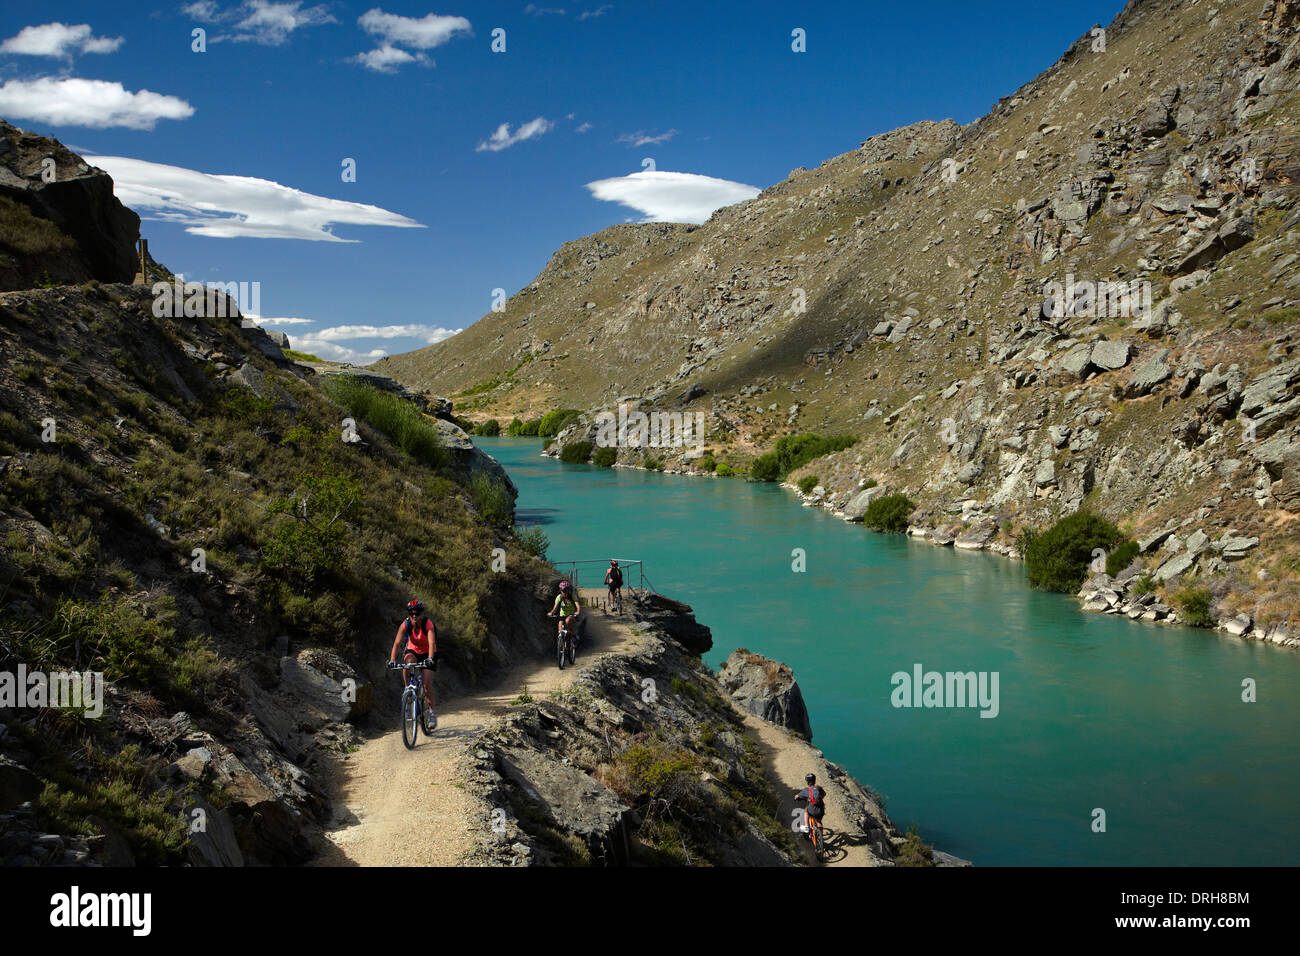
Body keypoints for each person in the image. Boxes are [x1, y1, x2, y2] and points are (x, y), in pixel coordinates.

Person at [388, 598, 438, 730]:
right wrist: (392, 660)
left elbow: (432, 643)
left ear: (421, 613)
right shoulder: (405, 624)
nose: (414, 616)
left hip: (429, 653)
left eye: (417, 613)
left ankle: (432, 712)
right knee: (407, 663)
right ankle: (407, 689)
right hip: (413, 651)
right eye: (411, 613)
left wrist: (430, 658)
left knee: (426, 684)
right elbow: (397, 643)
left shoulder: (427, 623)